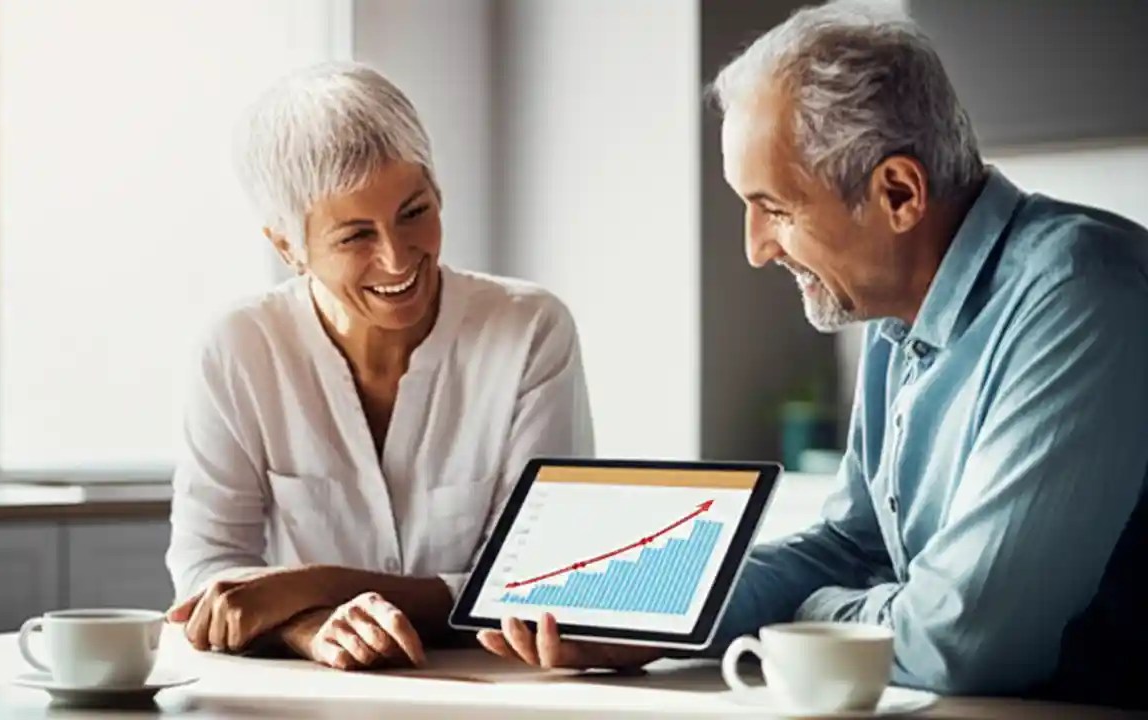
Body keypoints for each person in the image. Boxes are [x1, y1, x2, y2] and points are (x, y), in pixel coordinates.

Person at [479, 2, 1148, 709]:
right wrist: (668, 616)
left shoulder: (1084, 295)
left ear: (898, 193)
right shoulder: (898, 312)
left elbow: (958, 640)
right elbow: (855, 546)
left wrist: (809, 616)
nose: (755, 247)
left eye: (776, 208)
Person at [164, 62, 594, 671]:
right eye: (355, 236)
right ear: (288, 246)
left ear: (438, 192)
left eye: (414, 212)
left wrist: (305, 585)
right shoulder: (236, 347)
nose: (397, 257)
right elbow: (206, 581)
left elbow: (530, 584)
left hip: (500, 694)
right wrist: (310, 628)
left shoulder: (529, 329)